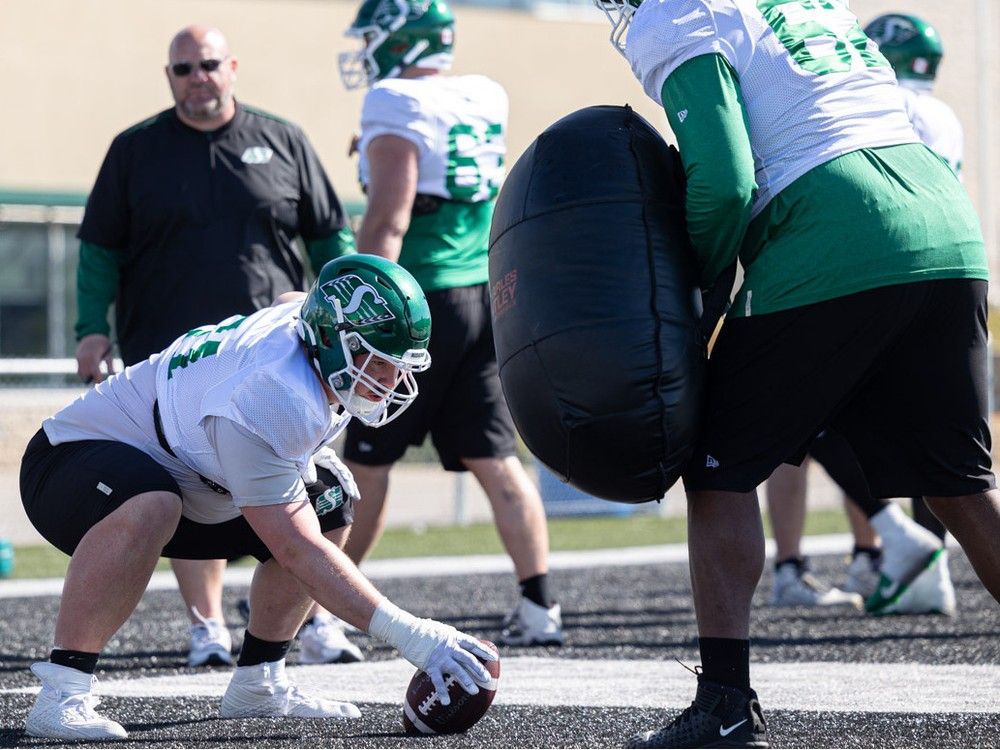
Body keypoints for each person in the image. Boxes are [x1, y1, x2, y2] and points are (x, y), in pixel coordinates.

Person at [594, 0, 1000, 747]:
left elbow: (723, 181)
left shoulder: (678, 12)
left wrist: (699, 294)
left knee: (718, 470)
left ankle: (724, 704)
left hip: (835, 227)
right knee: (960, 486)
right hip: (946, 226)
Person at [20, 255, 497, 741]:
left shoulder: (308, 328)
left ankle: (259, 680)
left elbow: (290, 300)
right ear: (333, 341)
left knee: (328, 500)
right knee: (155, 503)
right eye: (377, 361)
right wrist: (417, 638)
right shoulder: (271, 395)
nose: (390, 382)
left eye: (398, 365)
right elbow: (298, 550)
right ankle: (62, 692)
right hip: (67, 460)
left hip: (187, 469)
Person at [74, 24, 358, 668]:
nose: (196, 77)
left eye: (207, 64)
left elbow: (331, 240)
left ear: (231, 67)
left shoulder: (283, 140)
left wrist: (348, 316)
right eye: (183, 69)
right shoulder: (134, 150)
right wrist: (90, 327)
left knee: (308, 485)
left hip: (278, 358)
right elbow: (98, 250)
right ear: (169, 77)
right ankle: (207, 626)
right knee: (190, 483)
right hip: (172, 358)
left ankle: (312, 622)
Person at [334, 0, 563, 648]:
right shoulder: (482, 94)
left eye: (373, 36)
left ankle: (322, 601)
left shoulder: (394, 101)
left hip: (421, 299)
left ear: (401, 37)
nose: (365, 50)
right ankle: (540, 607)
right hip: (484, 293)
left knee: (368, 459)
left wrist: (359, 302)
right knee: (496, 458)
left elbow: (390, 221)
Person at [765, 12, 964, 614]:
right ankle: (911, 564)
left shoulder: (881, 105)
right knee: (931, 438)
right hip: (946, 275)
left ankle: (872, 544)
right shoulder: (943, 115)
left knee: (802, 416)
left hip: (867, 273)